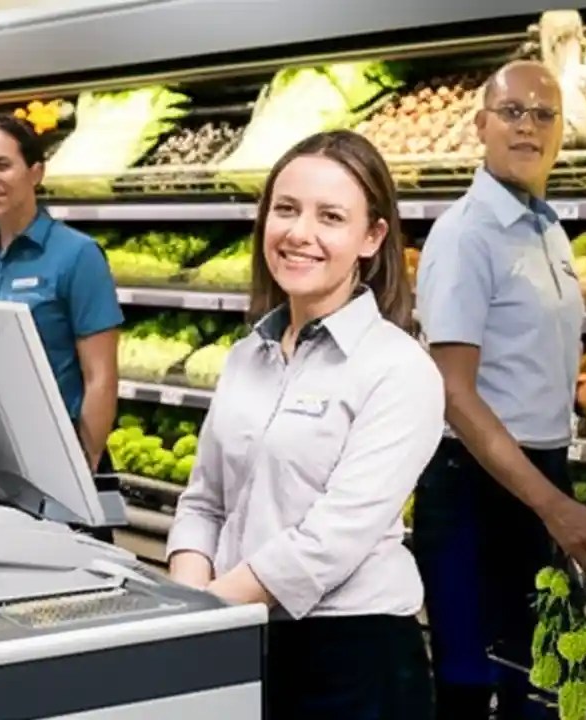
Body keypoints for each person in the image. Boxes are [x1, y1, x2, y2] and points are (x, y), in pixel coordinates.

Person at [166, 129, 441, 720]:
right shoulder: (247, 355)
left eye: (331, 217)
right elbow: (204, 501)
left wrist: (208, 611)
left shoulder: (400, 368)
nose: (300, 233)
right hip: (238, 633)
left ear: (371, 237)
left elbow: (331, 539)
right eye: (285, 209)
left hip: (351, 658)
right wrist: (187, 602)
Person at [413, 60, 586, 720]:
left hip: (539, 473)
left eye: (544, 114)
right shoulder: (466, 235)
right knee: (473, 688)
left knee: (553, 685)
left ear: (560, 133)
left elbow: (523, 352)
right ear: (482, 126)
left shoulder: (546, 228)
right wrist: (552, 506)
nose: (529, 127)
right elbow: (455, 392)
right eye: (513, 112)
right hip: (475, 487)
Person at [0, 113, 123, 511]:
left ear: (35, 172)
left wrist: (83, 464)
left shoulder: (77, 253)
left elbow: (100, 375)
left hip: (62, 447)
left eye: (1, 164)